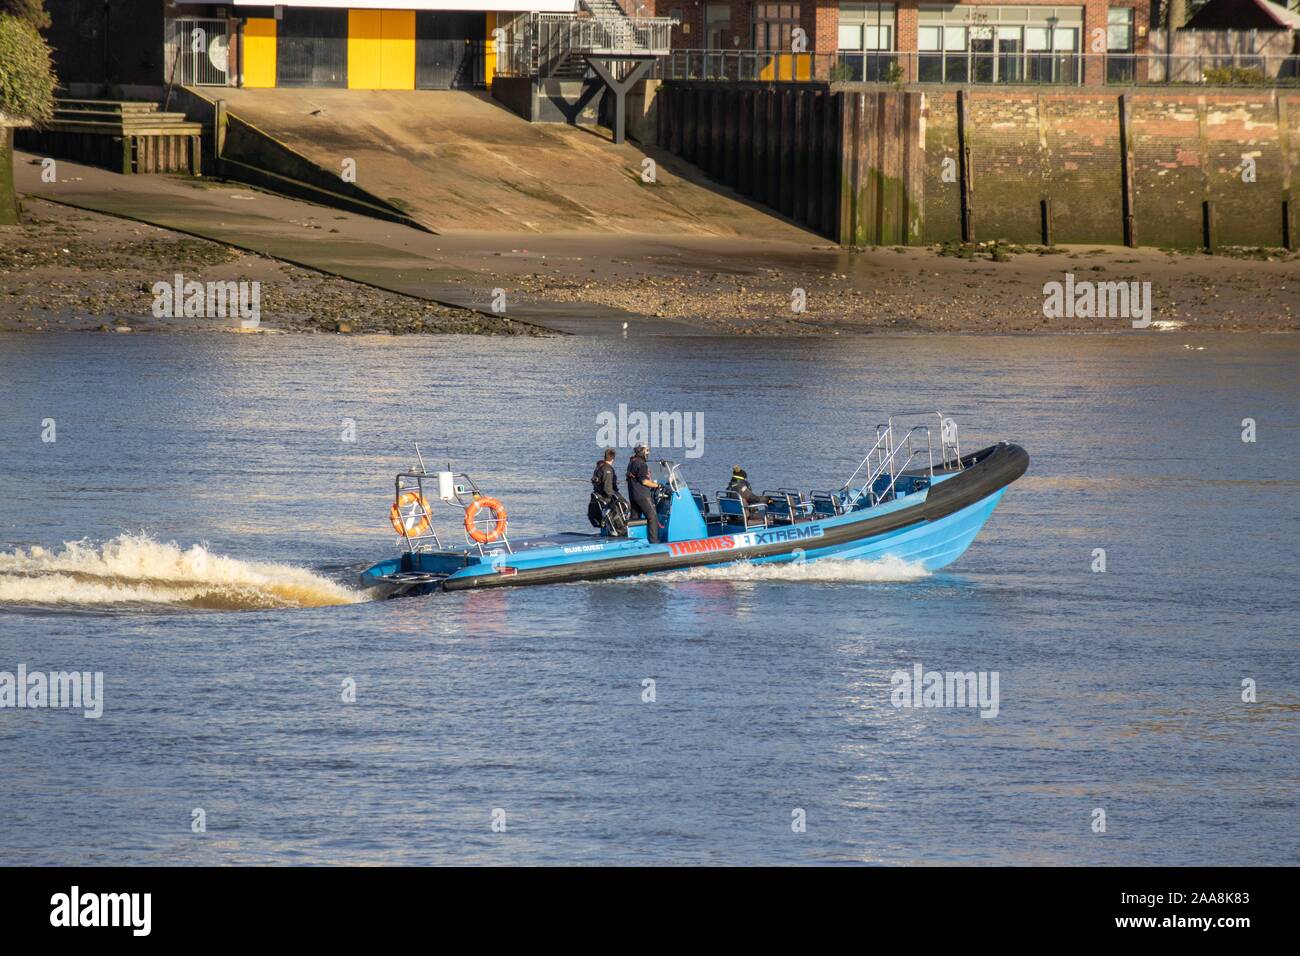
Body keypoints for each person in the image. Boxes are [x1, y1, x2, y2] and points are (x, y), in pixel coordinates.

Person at [625, 443, 662, 544]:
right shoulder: (642, 464)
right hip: (642, 496)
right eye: (647, 450)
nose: (648, 453)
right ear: (642, 451)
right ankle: (654, 542)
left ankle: (633, 541)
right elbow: (644, 481)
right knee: (652, 517)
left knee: (635, 519)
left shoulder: (631, 462)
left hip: (633, 495)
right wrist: (657, 485)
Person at [588, 448, 627, 535]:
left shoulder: (599, 467)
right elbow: (607, 488)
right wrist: (614, 496)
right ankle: (621, 530)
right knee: (625, 505)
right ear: (613, 458)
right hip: (605, 497)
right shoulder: (607, 469)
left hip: (599, 495)